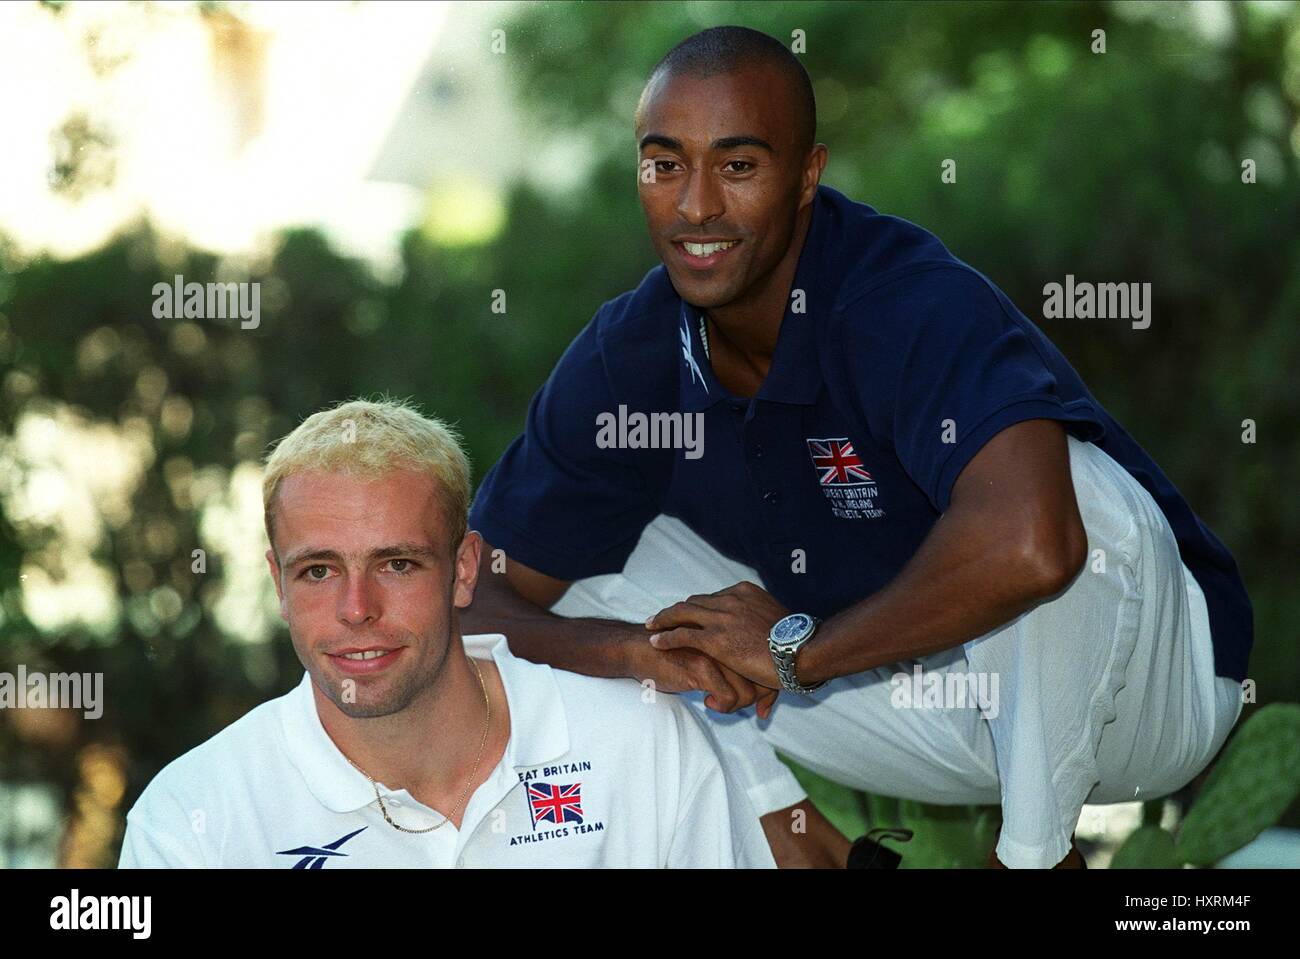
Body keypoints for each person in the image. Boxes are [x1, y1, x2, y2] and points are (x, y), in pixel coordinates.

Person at [461, 25, 1252, 869]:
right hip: (910, 716)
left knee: (1067, 493)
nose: (695, 205)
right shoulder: (630, 352)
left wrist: (795, 650)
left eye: (737, 166)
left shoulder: (904, 300)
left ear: (807, 176)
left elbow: (1036, 544)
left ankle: (1032, 858)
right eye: (664, 164)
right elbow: (473, 600)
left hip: (1146, 701)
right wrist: (640, 651)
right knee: (591, 565)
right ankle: (795, 843)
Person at [118, 398, 774, 868]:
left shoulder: (643, 744)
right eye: (318, 570)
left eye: (396, 563)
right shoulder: (192, 816)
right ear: (278, 584)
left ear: (464, 571)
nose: (356, 608)